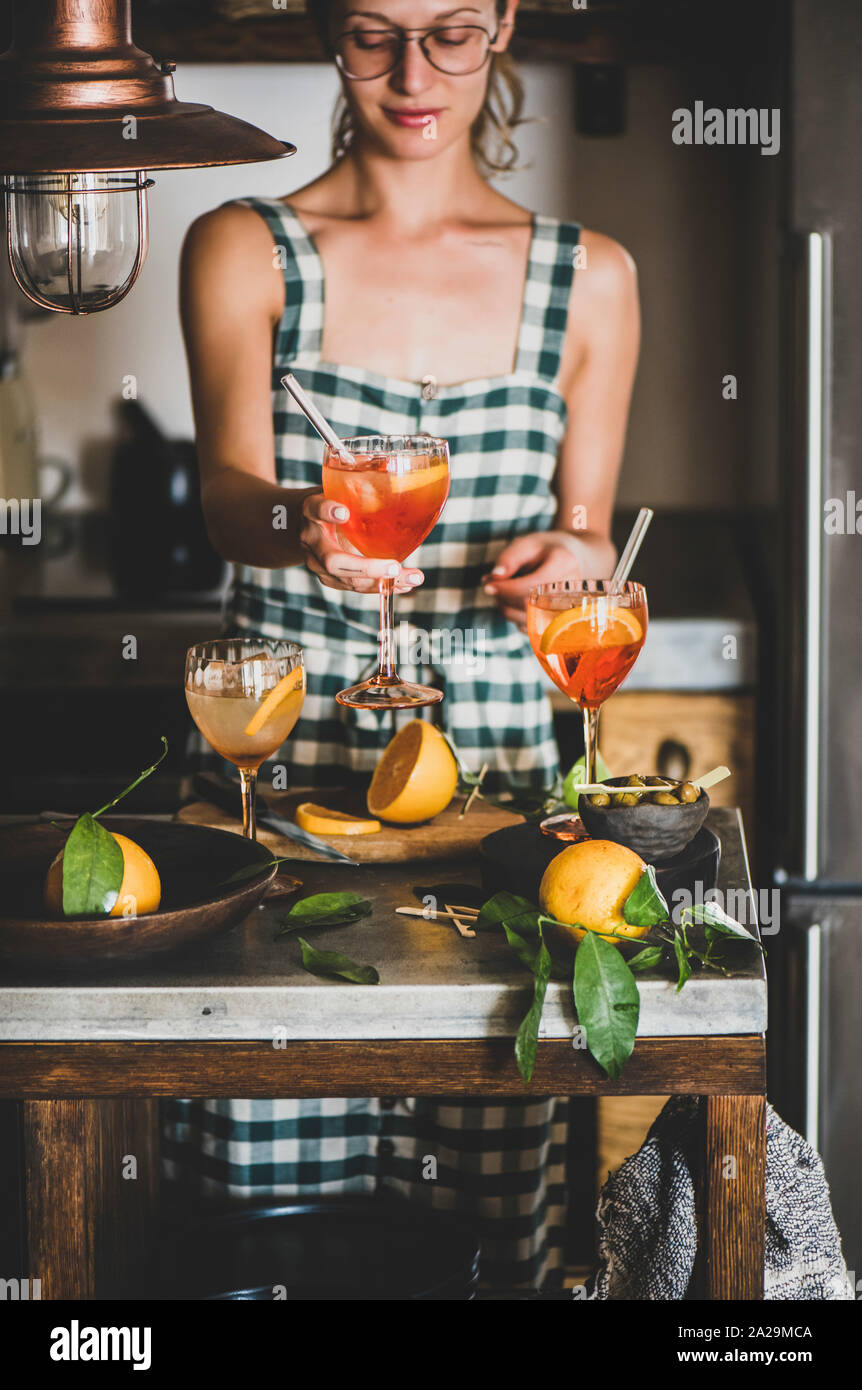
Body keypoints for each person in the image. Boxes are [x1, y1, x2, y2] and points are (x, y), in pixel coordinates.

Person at [163, 0, 640, 1289]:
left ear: (502, 27)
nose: (414, 72)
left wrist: (574, 561)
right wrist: (297, 520)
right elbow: (227, 497)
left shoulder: (588, 274)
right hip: (282, 752)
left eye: (450, 32)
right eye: (375, 32)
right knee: (256, 1171)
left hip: (489, 777)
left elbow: (590, 530)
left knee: (472, 1199)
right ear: (331, 35)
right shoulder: (246, 247)